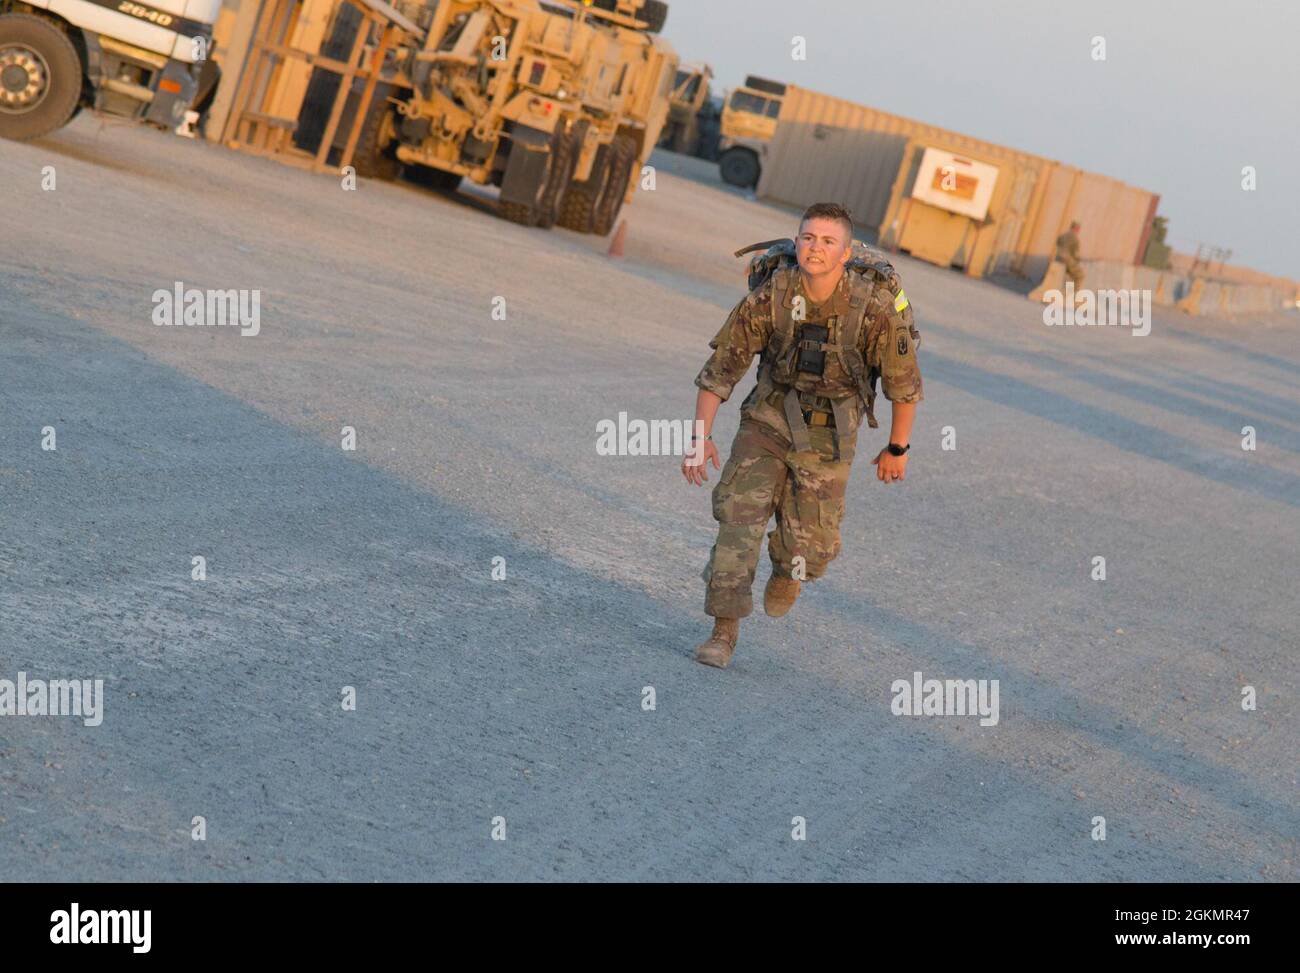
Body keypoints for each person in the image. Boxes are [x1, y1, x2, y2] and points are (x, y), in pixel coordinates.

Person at [681, 202, 923, 668]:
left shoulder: (872, 309)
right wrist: (701, 437)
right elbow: (720, 370)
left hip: (830, 432)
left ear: (846, 253)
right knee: (738, 519)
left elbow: (904, 385)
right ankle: (723, 631)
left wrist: (898, 448)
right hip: (769, 418)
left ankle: (788, 567)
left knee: (810, 550)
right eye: (808, 238)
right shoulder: (774, 294)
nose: (815, 248)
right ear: (797, 242)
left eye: (828, 241)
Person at [1055, 221, 1084, 291]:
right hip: (1067, 260)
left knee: (1069, 276)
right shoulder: (1074, 238)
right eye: (1078, 228)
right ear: (1076, 228)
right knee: (1080, 275)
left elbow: (1058, 243)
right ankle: (1073, 294)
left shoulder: (1063, 235)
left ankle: (1064, 291)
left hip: (1058, 258)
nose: (1079, 230)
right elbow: (1075, 253)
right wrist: (1078, 260)